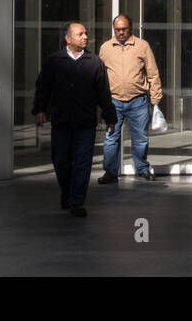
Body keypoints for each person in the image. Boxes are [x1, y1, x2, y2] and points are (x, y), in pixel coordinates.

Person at [32, 21, 116, 217]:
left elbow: (104, 93)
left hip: (85, 122)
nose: (85, 37)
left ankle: (77, 202)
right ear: (68, 39)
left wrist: (110, 117)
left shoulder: (94, 62)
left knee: (82, 163)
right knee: (61, 161)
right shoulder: (54, 61)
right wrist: (39, 110)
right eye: (80, 34)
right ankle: (67, 193)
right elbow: (43, 87)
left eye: (85, 34)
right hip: (61, 121)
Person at [97, 14, 163, 183]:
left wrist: (155, 99)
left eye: (124, 29)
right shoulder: (106, 48)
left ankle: (142, 169)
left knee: (140, 138)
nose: (120, 33)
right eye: (117, 29)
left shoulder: (142, 46)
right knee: (111, 138)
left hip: (138, 100)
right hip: (113, 101)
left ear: (130, 28)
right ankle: (111, 172)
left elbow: (152, 73)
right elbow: (99, 75)